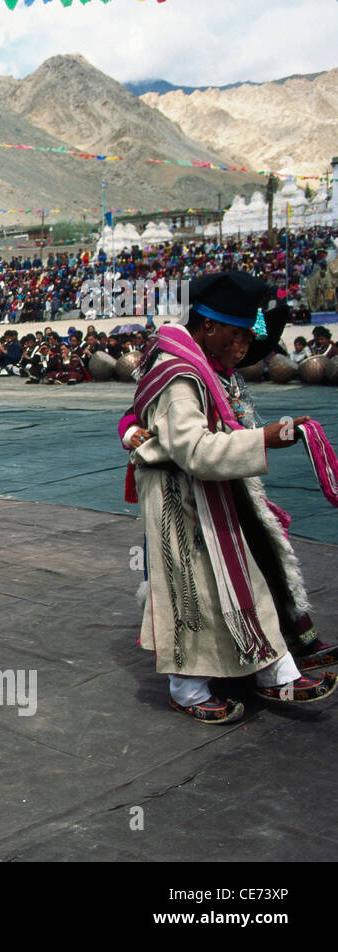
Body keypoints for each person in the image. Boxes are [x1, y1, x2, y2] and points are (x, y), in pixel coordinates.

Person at [126, 272, 337, 724]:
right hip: (180, 499)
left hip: (214, 491)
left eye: (247, 339)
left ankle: (274, 669)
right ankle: (188, 687)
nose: (242, 349)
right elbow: (197, 451)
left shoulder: (205, 367)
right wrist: (267, 439)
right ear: (208, 328)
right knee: (192, 593)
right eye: (237, 336)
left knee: (245, 575)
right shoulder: (179, 378)